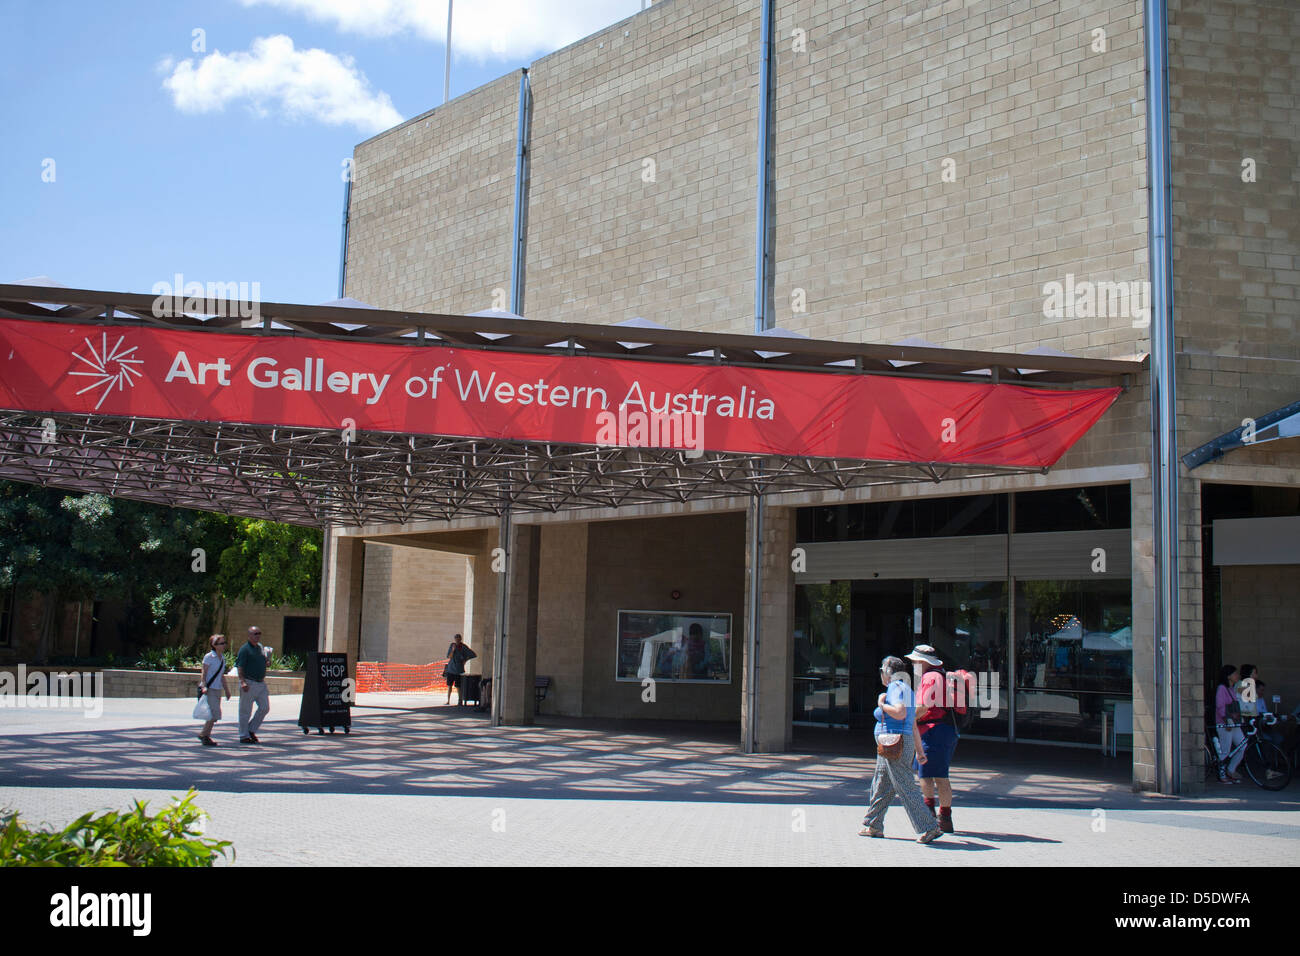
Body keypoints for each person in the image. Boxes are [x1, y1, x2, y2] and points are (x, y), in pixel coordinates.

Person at [861, 656, 944, 844]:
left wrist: (882, 704)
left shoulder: (895, 687)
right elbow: (912, 724)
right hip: (896, 742)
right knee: (882, 782)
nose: (881, 674)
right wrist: (920, 751)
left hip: (894, 743)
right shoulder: (907, 689)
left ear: (889, 672)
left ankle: (929, 827)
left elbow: (900, 712)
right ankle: (872, 824)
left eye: (882, 670)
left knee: (905, 785)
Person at [907, 643, 959, 833]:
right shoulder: (942, 674)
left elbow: (923, 707)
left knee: (930, 775)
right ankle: (943, 818)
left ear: (922, 662)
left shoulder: (930, 678)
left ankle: (933, 817)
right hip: (946, 731)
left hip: (933, 731)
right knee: (938, 774)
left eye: (914, 661)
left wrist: (905, 720)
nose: (913, 665)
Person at [236, 625, 271, 744]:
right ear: (249, 635)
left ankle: (251, 729)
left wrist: (267, 661)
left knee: (264, 707)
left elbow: (264, 661)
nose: (258, 636)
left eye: (259, 633)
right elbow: (240, 666)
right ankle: (243, 735)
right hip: (249, 681)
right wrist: (242, 681)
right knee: (245, 710)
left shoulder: (260, 647)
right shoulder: (245, 649)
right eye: (255, 634)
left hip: (260, 683)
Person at [196, 634, 232, 746]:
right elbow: (204, 672)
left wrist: (226, 690)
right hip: (210, 688)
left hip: (217, 689)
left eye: (224, 643)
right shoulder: (209, 657)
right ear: (214, 645)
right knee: (214, 713)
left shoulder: (222, 658)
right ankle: (204, 735)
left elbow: (221, 675)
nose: (224, 645)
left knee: (214, 714)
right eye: (221, 643)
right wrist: (204, 686)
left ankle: (205, 735)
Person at [1214, 664, 1244, 783]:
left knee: (1242, 745)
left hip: (1234, 723)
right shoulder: (1222, 688)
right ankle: (1221, 773)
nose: (1237, 676)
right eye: (1235, 674)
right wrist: (1225, 719)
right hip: (1225, 723)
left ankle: (1231, 769)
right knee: (1225, 749)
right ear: (1228, 676)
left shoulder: (1232, 689)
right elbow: (1220, 705)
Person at [444, 633, 476, 705]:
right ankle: (448, 700)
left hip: (459, 670)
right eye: (456, 639)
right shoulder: (452, 645)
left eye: (458, 639)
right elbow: (449, 656)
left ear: (460, 639)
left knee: (458, 686)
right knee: (449, 685)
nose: (457, 640)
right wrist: (453, 650)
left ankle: (460, 700)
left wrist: (465, 660)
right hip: (451, 669)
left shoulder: (463, 647)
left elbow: (473, 654)